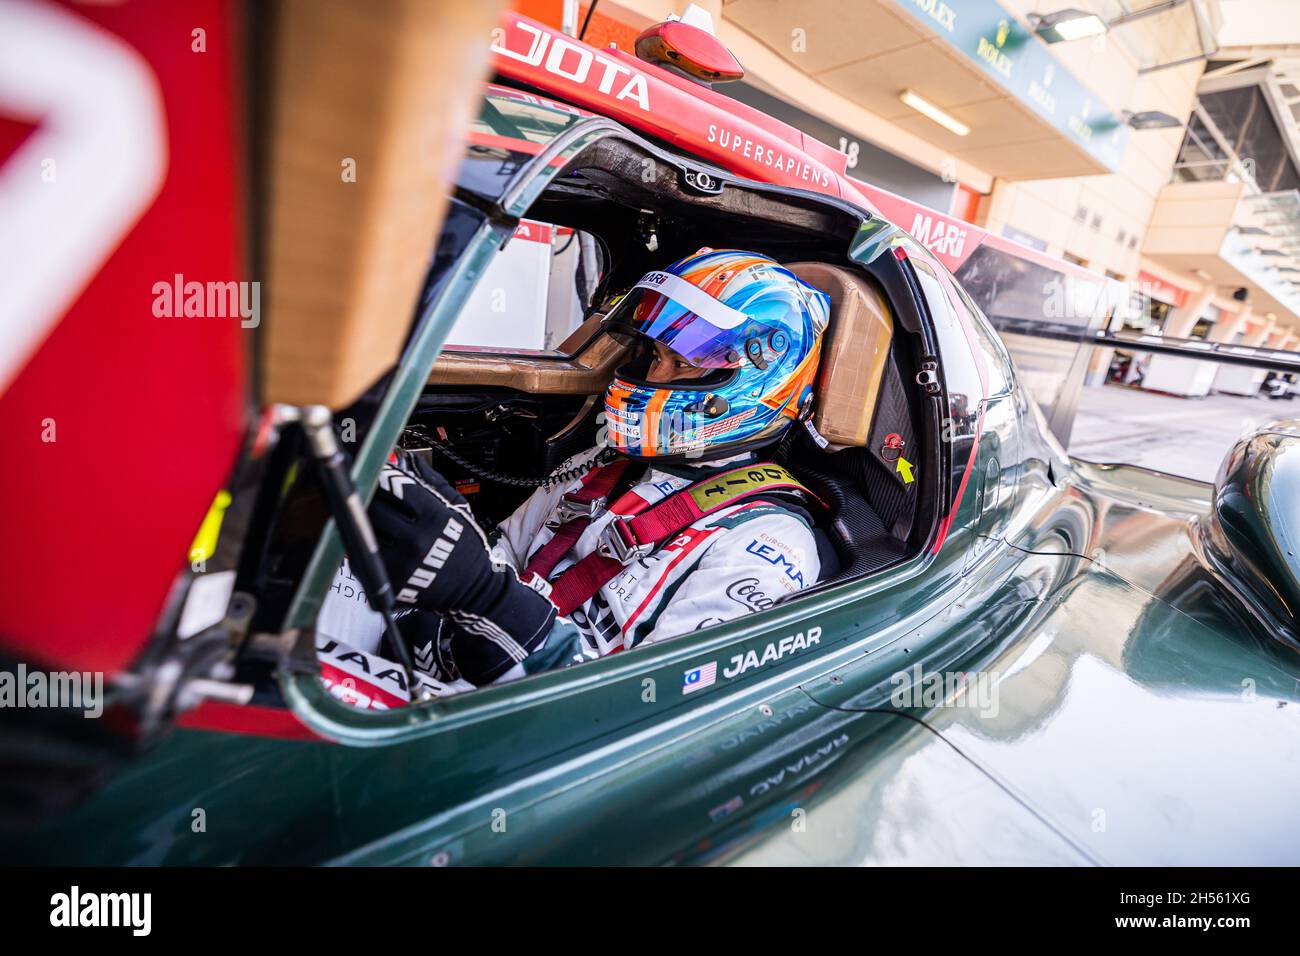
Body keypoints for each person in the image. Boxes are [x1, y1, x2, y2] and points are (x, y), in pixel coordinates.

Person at [318, 248, 831, 699]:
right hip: (454, 663)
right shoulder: (603, 466)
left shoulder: (765, 541)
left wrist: (482, 598)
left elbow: (645, 714)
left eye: (681, 365)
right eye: (655, 356)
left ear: (757, 379)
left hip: (527, 727)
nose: (652, 378)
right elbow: (505, 555)